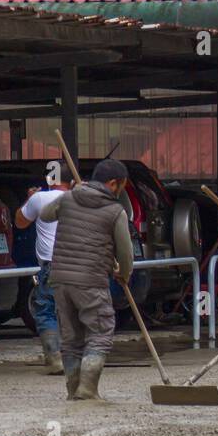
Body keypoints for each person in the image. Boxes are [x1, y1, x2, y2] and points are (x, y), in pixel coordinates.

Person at [38, 159, 134, 401]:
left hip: (60, 279)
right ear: (113, 184)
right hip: (91, 281)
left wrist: (68, 195)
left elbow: (45, 214)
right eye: (121, 186)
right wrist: (125, 272)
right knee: (100, 332)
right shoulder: (115, 212)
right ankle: (88, 388)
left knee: (71, 338)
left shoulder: (69, 198)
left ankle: (73, 389)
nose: (121, 191)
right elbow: (126, 253)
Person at [16, 180, 70, 375]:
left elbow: (20, 222)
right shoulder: (83, 197)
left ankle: (54, 357)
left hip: (51, 263)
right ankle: (82, 358)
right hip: (82, 263)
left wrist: (29, 200)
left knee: (46, 309)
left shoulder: (40, 198)